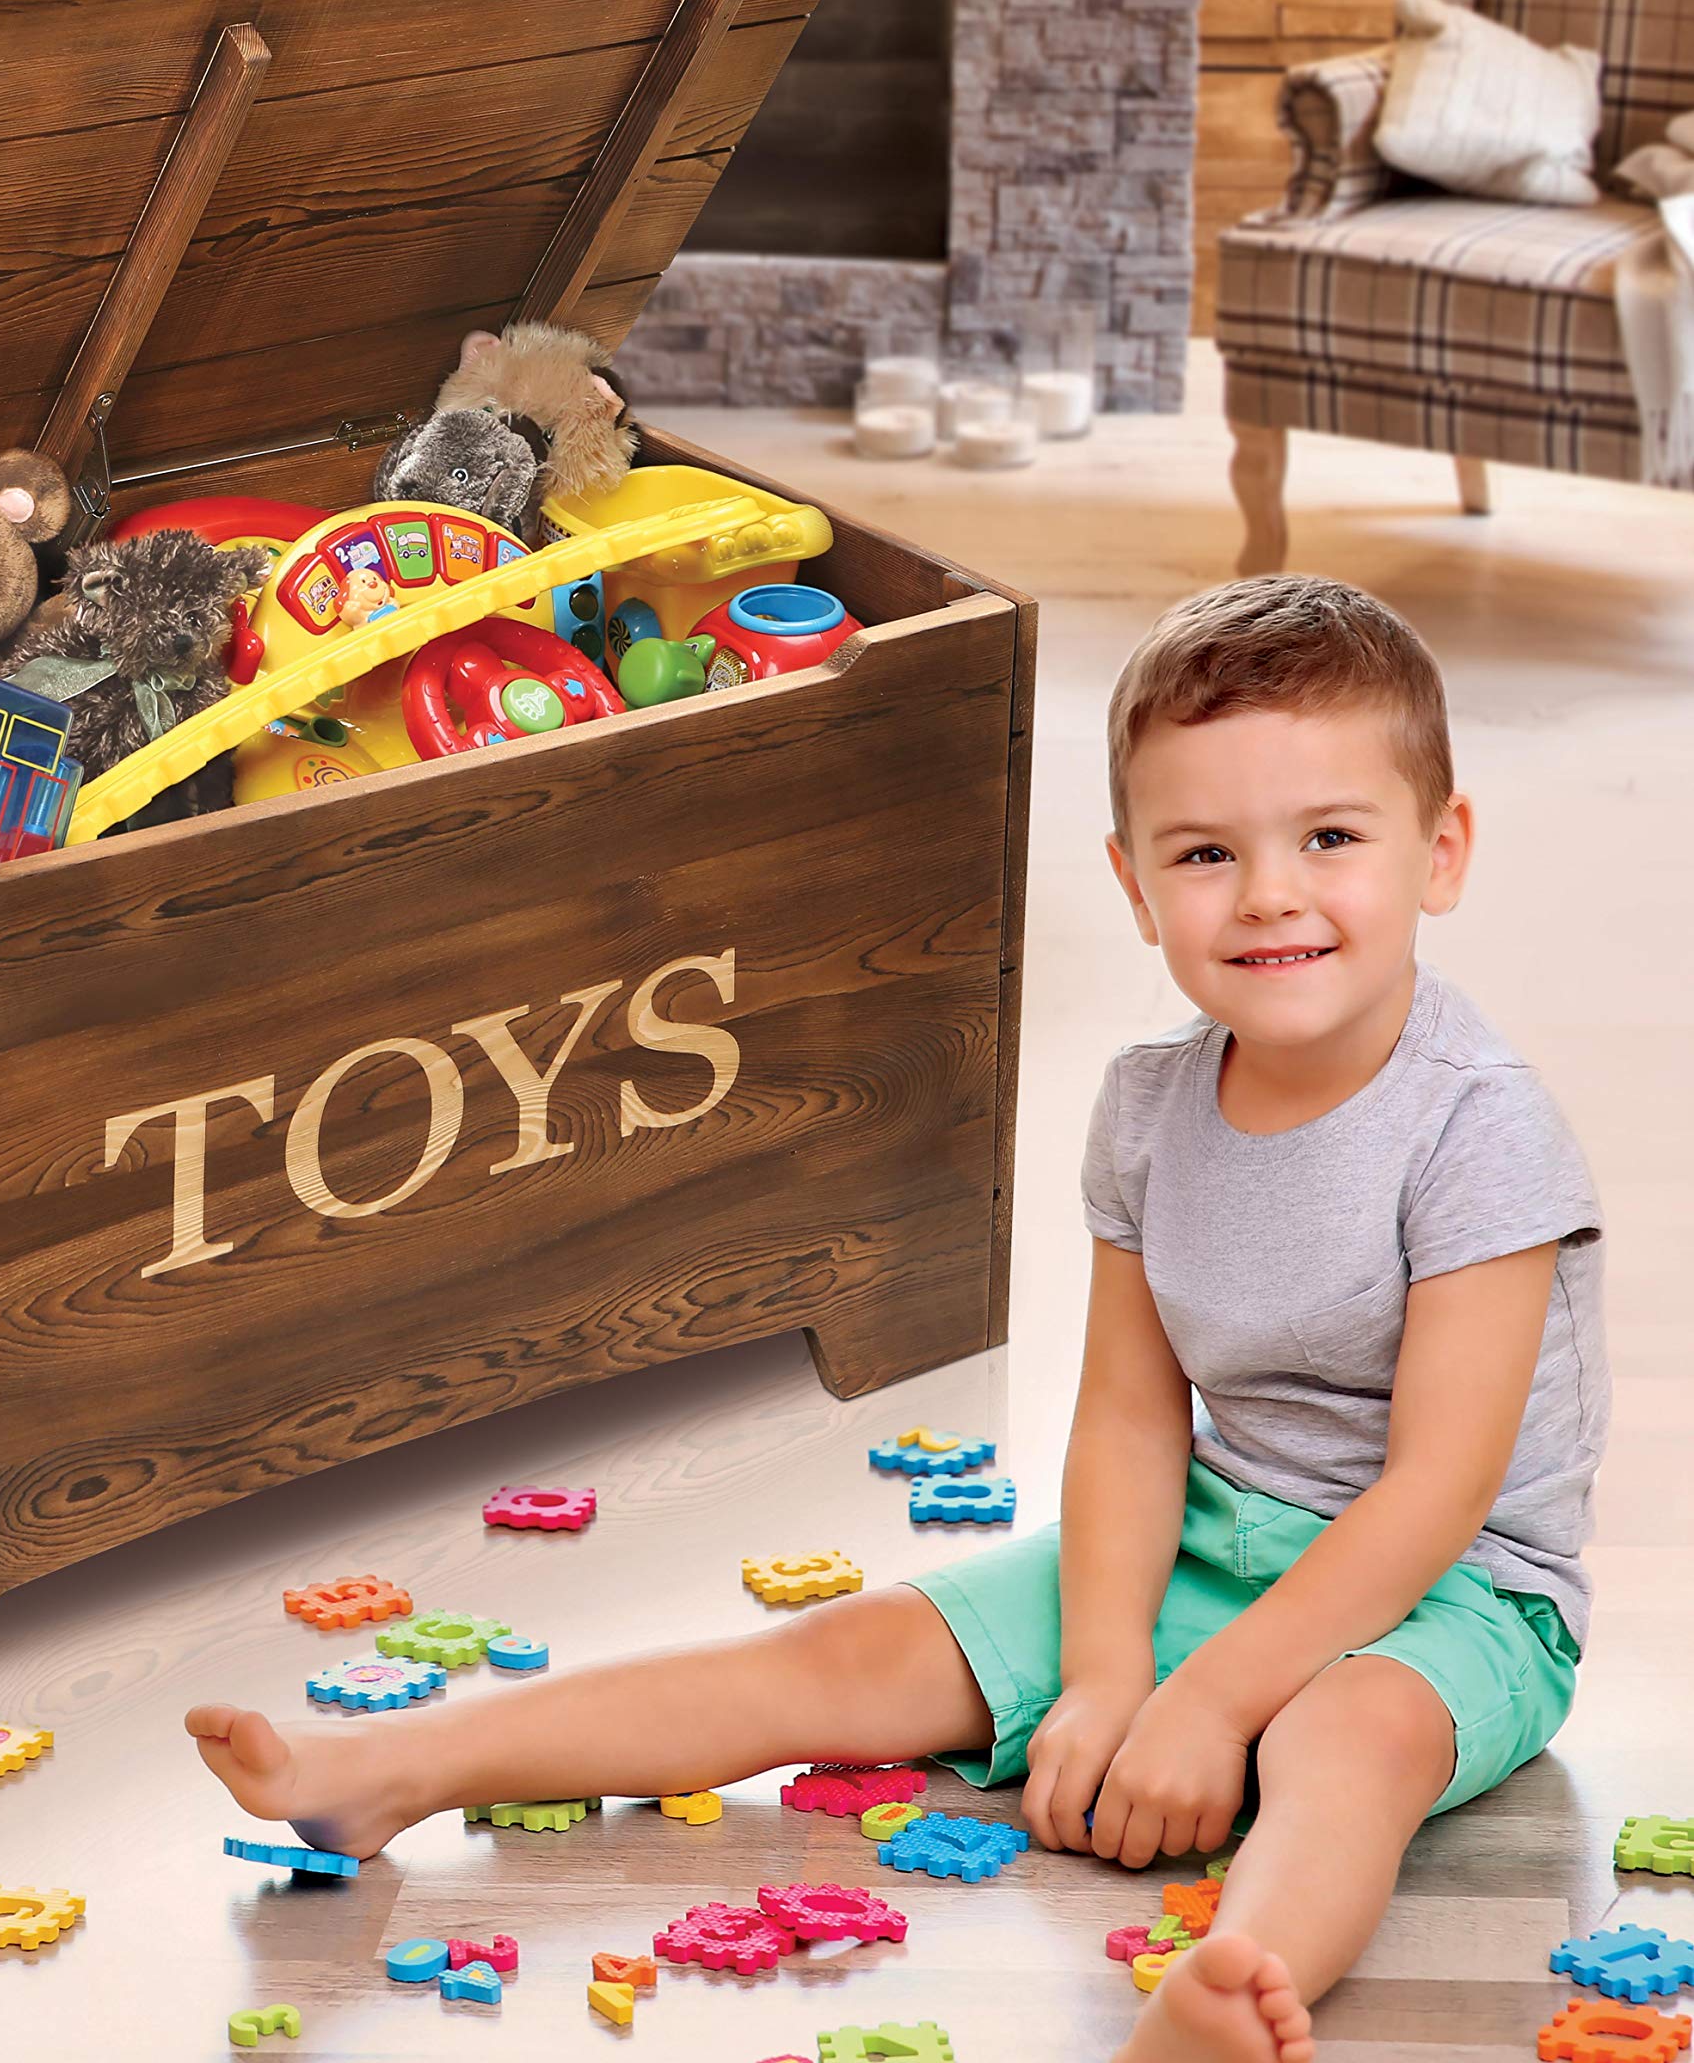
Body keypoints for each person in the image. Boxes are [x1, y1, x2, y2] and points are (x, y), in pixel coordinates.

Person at [189, 574, 1607, 2063]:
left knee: (1342, 1744)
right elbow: (1130, 1417)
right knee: (836, 1659)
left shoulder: (1479, 1129)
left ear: (1437, 853)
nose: (1266, 892)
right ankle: (390, 1769)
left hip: (1458, 1595)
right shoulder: (1143, 1108)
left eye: (1328, 837)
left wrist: (1207, 1702)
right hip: (1218, 1535)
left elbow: (1434, 1496)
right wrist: (1115, 1668)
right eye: (1205, 852)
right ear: (1133, 887)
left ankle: (1236, 1985)